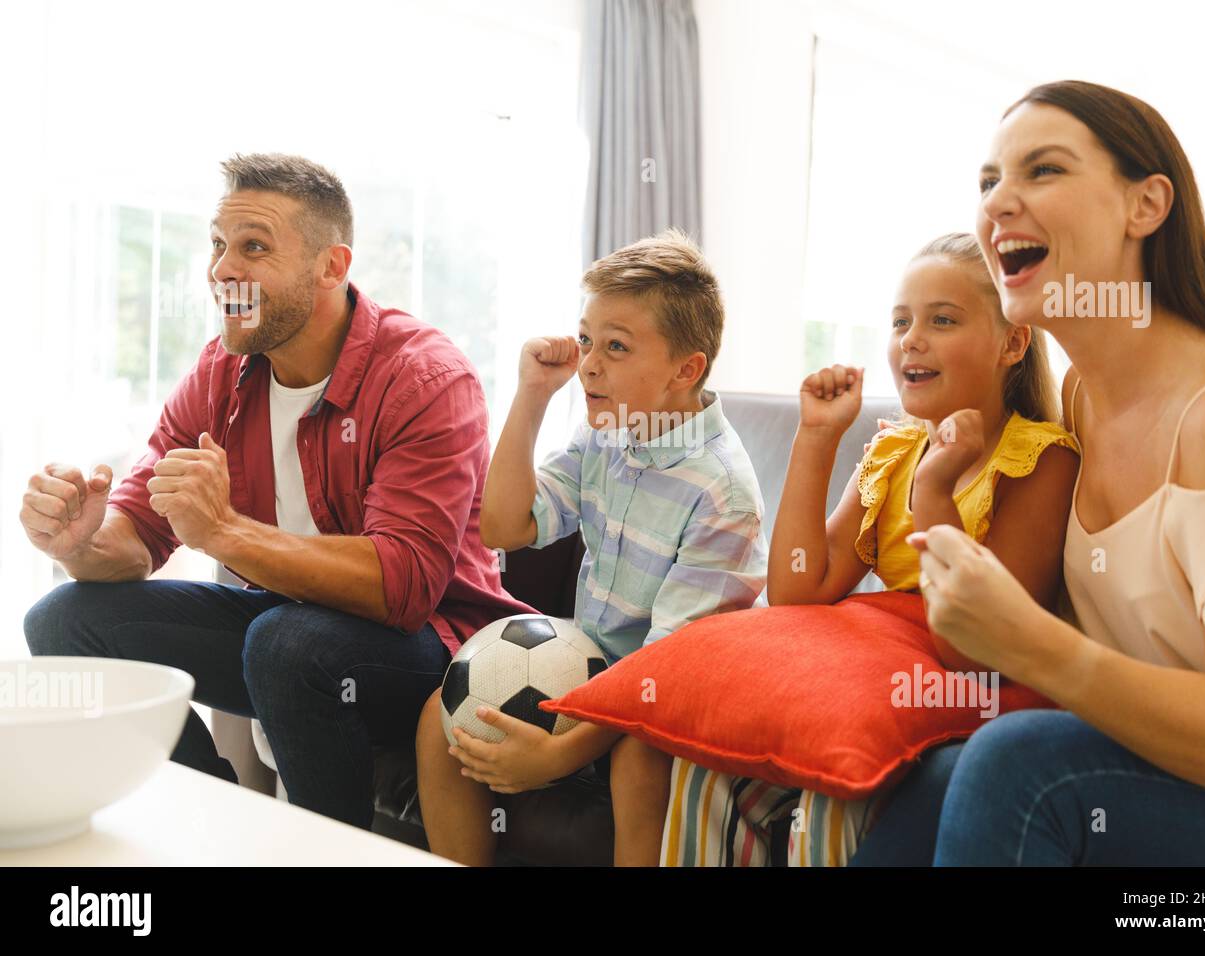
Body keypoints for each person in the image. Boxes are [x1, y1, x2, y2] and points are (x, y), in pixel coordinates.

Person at [856, 80, 1205, 866]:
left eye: (1044, 171)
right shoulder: (1083, 396)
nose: (998, 204)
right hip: (1163, 768)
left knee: (1016, 766)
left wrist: (1033, 646)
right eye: (988, 181)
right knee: (934, 773)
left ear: (1146, 205)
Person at [22, 152, 533, 831]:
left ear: (331, 266)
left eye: (253, 247)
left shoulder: (426, 378)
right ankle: (215, 830)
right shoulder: (220, 374)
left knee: (286, 641)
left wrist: (227, 533)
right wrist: (82, 541)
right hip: (285, 631)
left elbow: (403, 585)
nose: (221, 268)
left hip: (429, 648)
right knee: (62, 619)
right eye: (218, 245)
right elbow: (135, 542)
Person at [662, 232, 1079, 866]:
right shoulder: (894, 450)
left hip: (969, 690)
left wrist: (936, 488)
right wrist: (817, 439)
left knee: (833, 801)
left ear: (1012, 343)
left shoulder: (1038, 461)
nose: (912, 338)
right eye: (900, 321)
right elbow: (800, 588)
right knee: (707, 774)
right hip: (884, 688)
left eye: (942, 320)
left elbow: (975, 649)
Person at [415, 229, 769, 866]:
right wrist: (531, 396)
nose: (588, 364)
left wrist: (557, 754)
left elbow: (665, 670)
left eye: (615, 347)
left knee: (638, 757)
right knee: (436, 716)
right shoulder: (607, 433)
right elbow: (504, 526)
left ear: (686, 369)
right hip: (592, 672)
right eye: (586, 340)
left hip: (666, 697)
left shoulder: (722, 493)